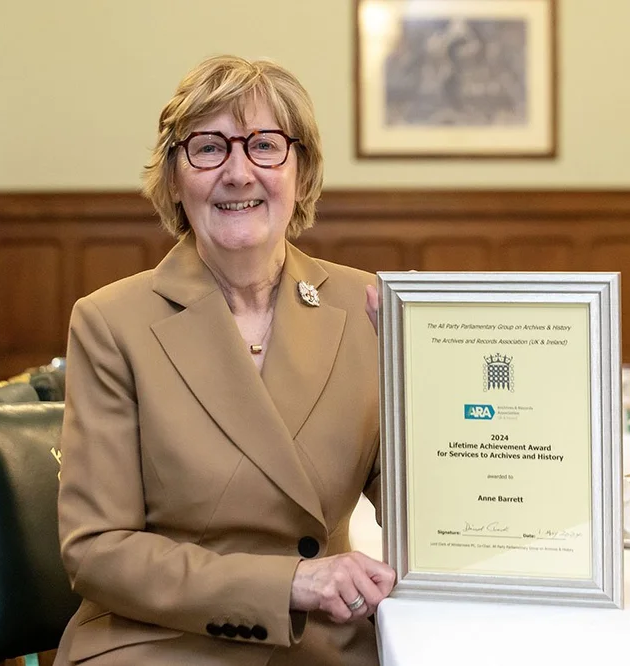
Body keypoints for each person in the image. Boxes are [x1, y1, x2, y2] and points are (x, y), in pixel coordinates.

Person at [53, 55, 395, 665]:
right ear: (175, 178)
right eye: (209, 148)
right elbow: (97, 551)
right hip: (161, 641)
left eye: (265, 145)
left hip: (325, 644)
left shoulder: (366, 306)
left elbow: (425, 504)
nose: (239, 172)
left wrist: (426, 386)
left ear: (302, 170)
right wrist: (288, 584)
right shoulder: (112, 322)